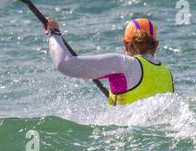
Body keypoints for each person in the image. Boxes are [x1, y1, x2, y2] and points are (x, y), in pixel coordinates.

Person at [43, 16, 173, 105]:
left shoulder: (123, 64)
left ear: (126, 44)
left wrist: (54, 33)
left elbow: (65, 64)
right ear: (156, 44)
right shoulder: (167, 73)